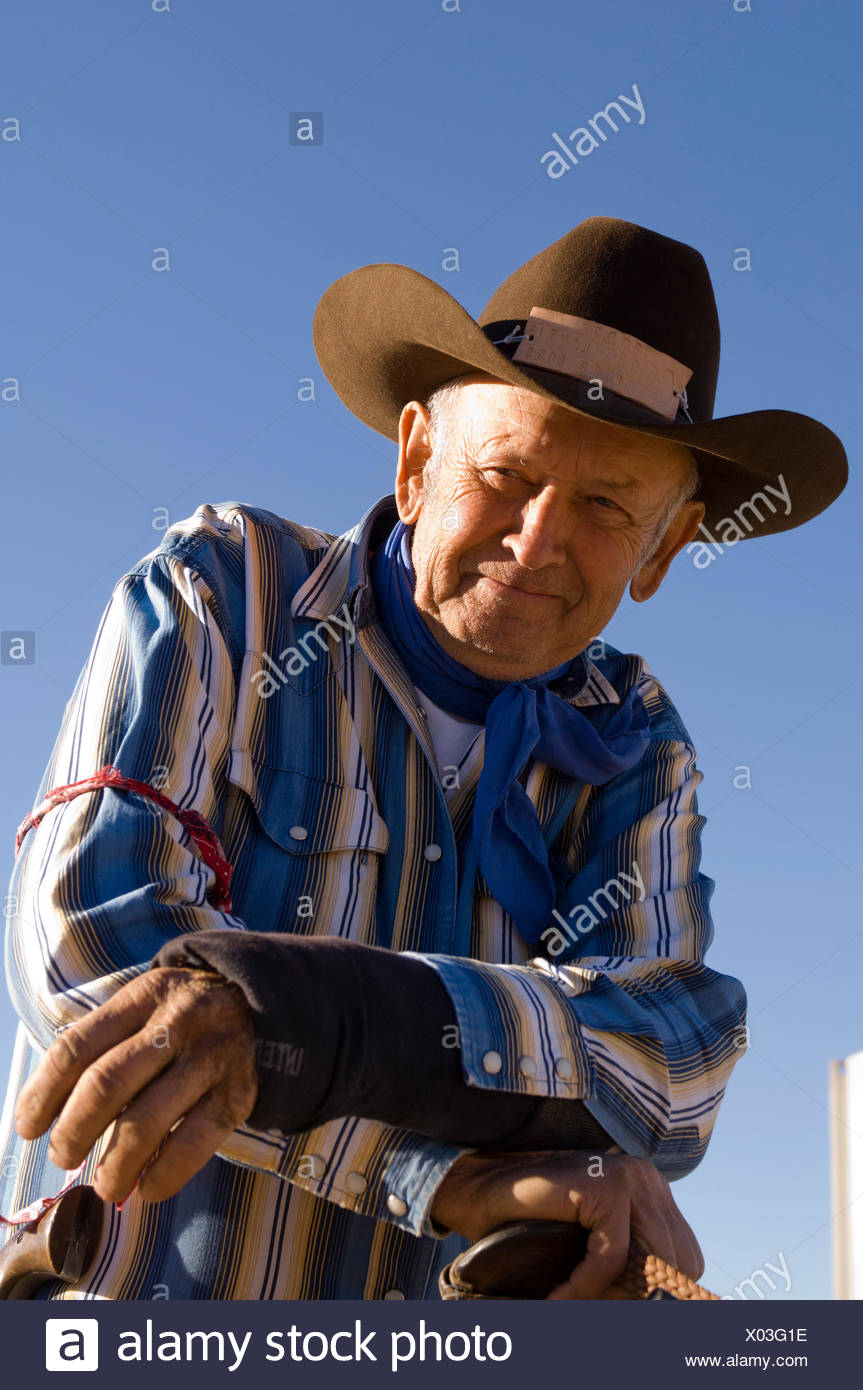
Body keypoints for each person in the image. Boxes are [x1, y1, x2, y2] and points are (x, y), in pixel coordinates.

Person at [0, 217, 847, 1300]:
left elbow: (668, 1061)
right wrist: (437, 1172)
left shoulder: (636, 738)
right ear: (414, 459)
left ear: (664, 549)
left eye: (604, 506)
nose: (536, 540)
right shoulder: (227, 592)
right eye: (506, 473)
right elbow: (93, 950)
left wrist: (304, 1020)